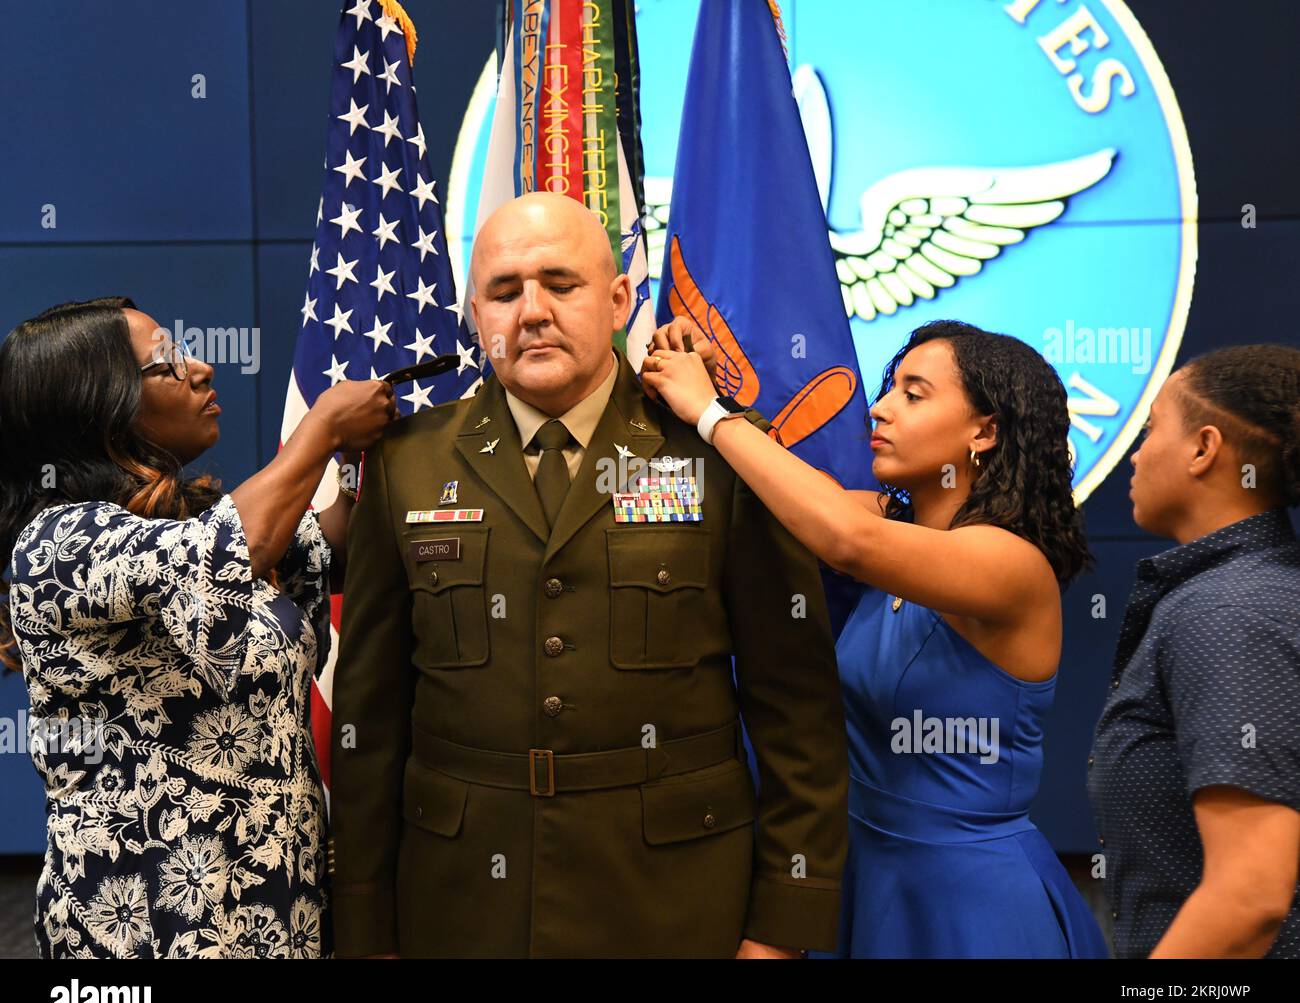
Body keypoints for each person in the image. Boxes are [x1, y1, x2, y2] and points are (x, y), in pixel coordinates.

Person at [327, 192, 849, 959]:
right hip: (465, 904)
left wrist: (780, 930)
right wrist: (367, 930)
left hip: (674, 900)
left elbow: (796, 707)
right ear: (477, 316)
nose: (531, 311)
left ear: (616, 300)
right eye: (505, 292)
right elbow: (368, 722)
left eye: (560, 284)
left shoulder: (718, 451)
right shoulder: (410, 462)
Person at [643, 317, 1108, 958]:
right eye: (888, 388)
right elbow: (794, 497)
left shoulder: (1012, 565)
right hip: (863, 873)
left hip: (968, 905)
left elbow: (845, 539)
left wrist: (709, 412)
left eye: (914, 394)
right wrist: (703, 377)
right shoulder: (892, 522)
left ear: (986, 430)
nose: (880, 409)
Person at [0, 296, 394, 958]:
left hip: (274, 907)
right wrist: (322, 428)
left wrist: (366, 454)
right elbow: (233, 547)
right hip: (147, 926)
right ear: (97, 405)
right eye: (167, 361)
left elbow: (336, 544)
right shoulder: (58, 542)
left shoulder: (188, 520)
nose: (203, 368)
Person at [1088, 344, 1300, 958]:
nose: (1137, 452)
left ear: (1204, 448)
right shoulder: (1238, 595)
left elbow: (1250, 896)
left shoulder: (1231, 611)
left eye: (1152, 428)